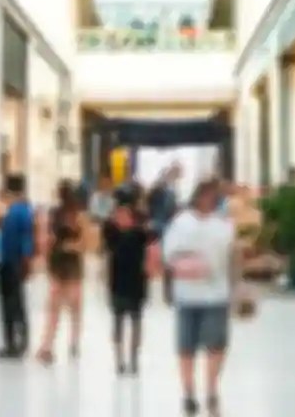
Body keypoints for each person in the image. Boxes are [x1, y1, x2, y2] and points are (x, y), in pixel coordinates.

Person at [162, 179, 238, 416]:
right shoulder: (181, 223)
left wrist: (237, 287)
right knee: (186, 346)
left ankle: (211, 389)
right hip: (187, 294)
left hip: (216, 294)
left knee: (215, 345)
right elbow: (169, 256)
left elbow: (232, 256)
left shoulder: (223, 225)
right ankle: (189, 392)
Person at [102, 195, 153, 376]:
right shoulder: (112, 235)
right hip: (117, 283)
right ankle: (119, 359)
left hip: (136, 283)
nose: (120, 218)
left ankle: (134, 358)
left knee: (136, 321)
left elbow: (150, 246)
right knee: (118, 322)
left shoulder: (140, 235)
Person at [37, 180, 86, 365]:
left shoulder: (62, 215)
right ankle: (67, 344)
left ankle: (50, 346)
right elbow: (85, 244)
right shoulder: (77, 215)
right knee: (71, 308)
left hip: (60, 264)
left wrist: (58, 249)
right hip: (69, 266)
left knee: (56, 308)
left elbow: (48, 241)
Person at [0, 173, 36, 359]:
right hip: (9, 261)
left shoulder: (19, 210)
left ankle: (15, 344)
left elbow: (26, 237)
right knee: (14, 302)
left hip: (12, 262)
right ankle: (16, 342)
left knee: (11, 303)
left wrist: (26, 261)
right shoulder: (17, 209)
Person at [148, 169, 180, 303]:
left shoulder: (157, 191)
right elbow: (171, 210)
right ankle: (169, 294)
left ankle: (167, 293)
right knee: (168, 260)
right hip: (166, 228)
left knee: (162, 259)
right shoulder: (169, 192)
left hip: (158, 226)